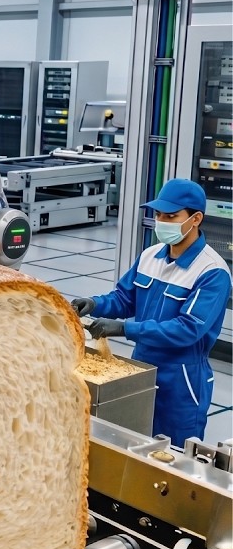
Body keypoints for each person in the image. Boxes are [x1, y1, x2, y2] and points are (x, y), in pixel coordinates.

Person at [74, 178, 231, 444]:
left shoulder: (212, 272)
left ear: (195, 219)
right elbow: (125, 298)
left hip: (181, 380)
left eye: (171, 216)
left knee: (173, 453)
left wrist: (126, 328)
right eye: (158, 214)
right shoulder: (150, 255)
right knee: (133, 441)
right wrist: (95, 303)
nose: (161, 221)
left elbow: (188, 329)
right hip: (140, 368)